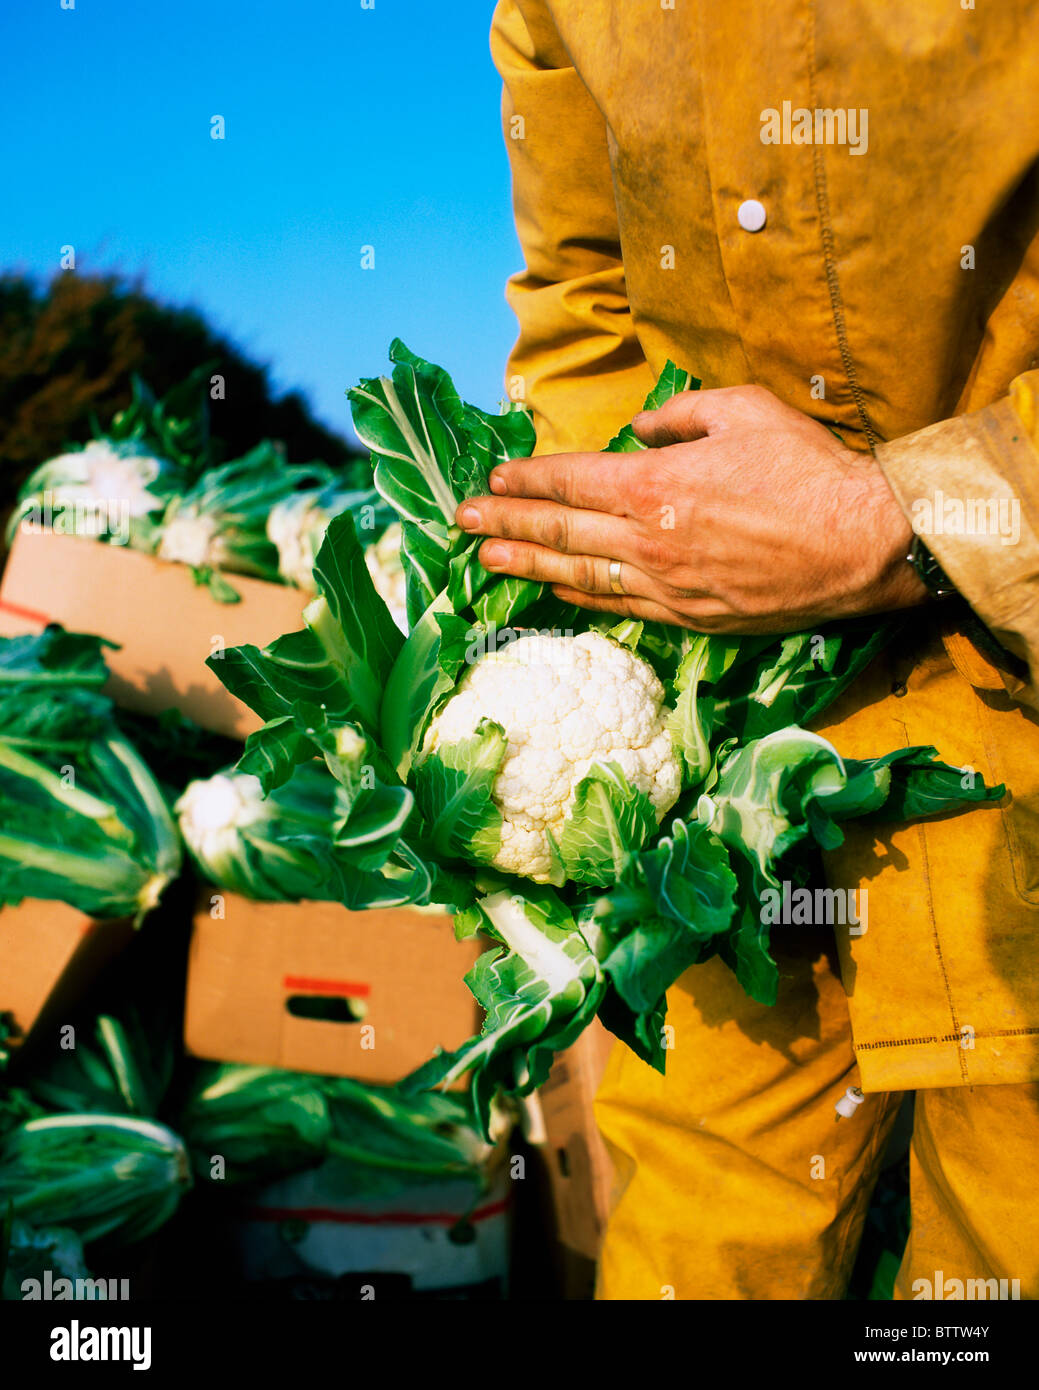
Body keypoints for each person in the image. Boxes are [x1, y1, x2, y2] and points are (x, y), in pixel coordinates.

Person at [458, 1, 1039, 1299]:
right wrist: (605, 616)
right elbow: (583, 306)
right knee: (688, 1255)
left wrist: (895, 517)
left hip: (1018, 762)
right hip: (732, 822)